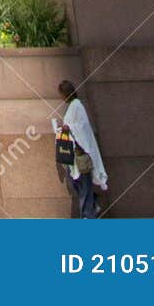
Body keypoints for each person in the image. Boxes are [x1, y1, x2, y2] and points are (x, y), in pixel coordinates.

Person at [52, 80, 107, 219]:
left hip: (82, 154)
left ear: (66, 93)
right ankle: (92, 203)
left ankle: (88, 215)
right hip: (75, 156)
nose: (61, 98)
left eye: (62, 94)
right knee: (75, 181)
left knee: (83, 185)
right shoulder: (72, 106)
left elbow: (82, 126)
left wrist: (69, 128)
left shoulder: (77, 106)